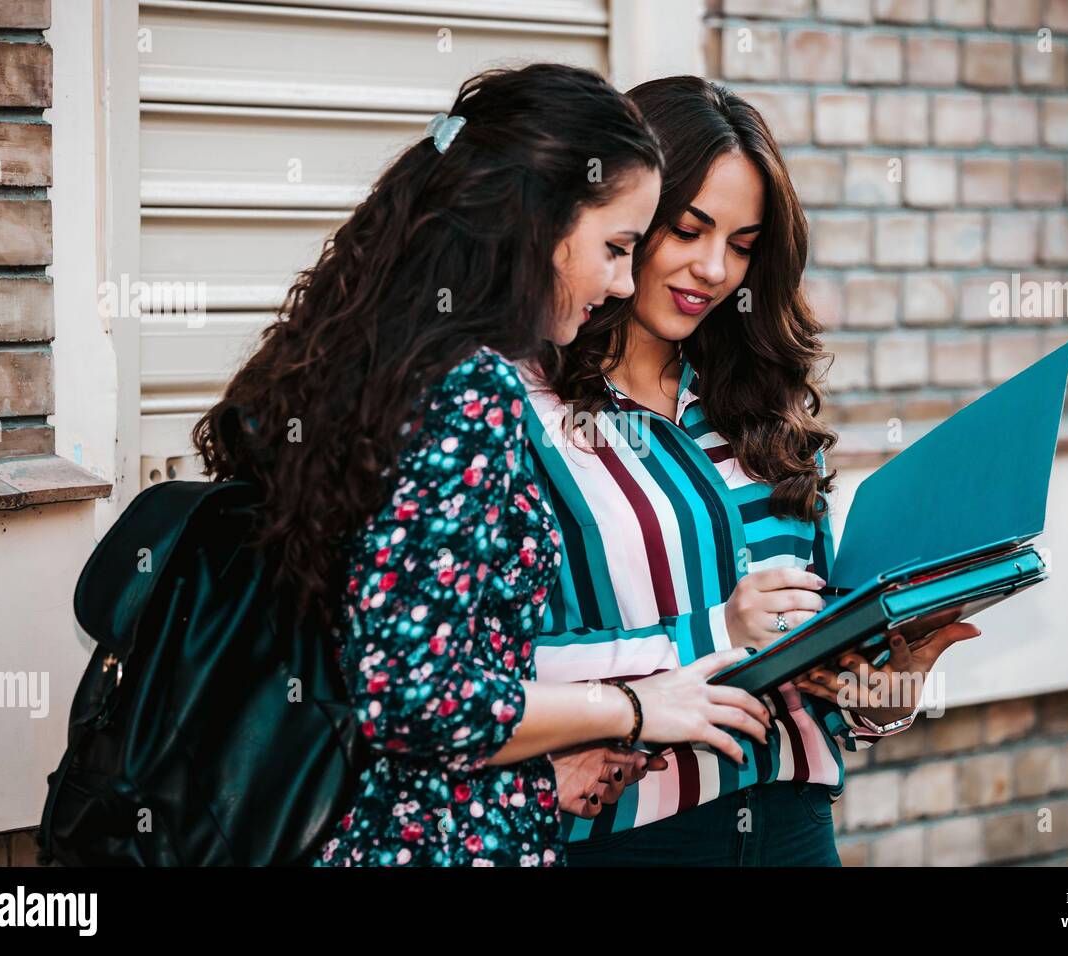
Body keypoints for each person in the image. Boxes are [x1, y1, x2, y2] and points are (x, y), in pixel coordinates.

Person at [191, 65, 770, 868]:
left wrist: (537, 782)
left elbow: (383, 677)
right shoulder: (472, 388)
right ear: (535, 223)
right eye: (614, 247)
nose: (622, 282)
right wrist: (634, 707)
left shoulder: (373, 364)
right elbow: (416, 698)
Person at [522, 75, 981, 866]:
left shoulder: (760, 411)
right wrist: (715, 632)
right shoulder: (525, 409)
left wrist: (887, 687)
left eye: (741, 245)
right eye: (688, 230)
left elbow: (826, 667)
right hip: (631, 841)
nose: (712, 269)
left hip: (795, 830)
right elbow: (483, 670)